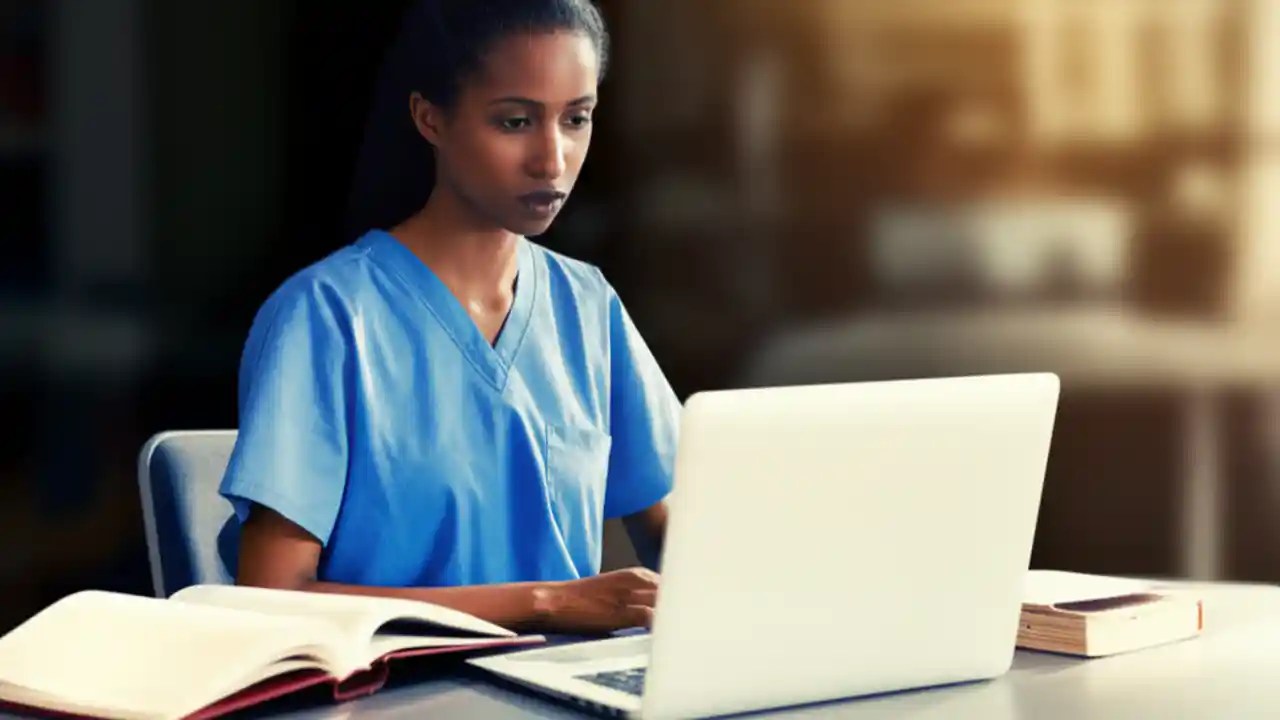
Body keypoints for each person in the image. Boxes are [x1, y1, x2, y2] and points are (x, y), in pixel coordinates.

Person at [219, 0, 679, 635]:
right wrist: (547, 603)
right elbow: (271, 595)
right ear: (429, 117)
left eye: (576, 119)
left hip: (565, 689)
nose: (552, 159)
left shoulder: (589, 307)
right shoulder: (325, 317)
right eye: (515, 122)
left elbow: (678, 535)